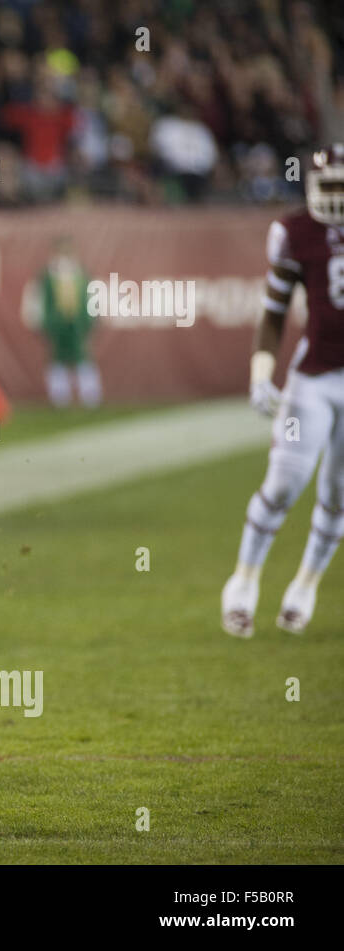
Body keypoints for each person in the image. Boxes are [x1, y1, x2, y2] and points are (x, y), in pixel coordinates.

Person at [220, 145, 344, 637]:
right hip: (313, 377)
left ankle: (306, 586)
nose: (334, 197)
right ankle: (244, 581)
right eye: (327, 186)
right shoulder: (296, 232)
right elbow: (273, 314)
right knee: (284, 483)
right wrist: (260, 372)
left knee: (338, 496)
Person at [37, 236, 100, 408]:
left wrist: (89, 320)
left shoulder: (80, 274)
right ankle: (59, 397)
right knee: (57, 360)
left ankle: (90, 396)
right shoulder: (47, 277)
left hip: (77, 323)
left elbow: (89, 299)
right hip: (57, 324)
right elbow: (42, 301)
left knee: (82, 357)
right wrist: (46, 323)